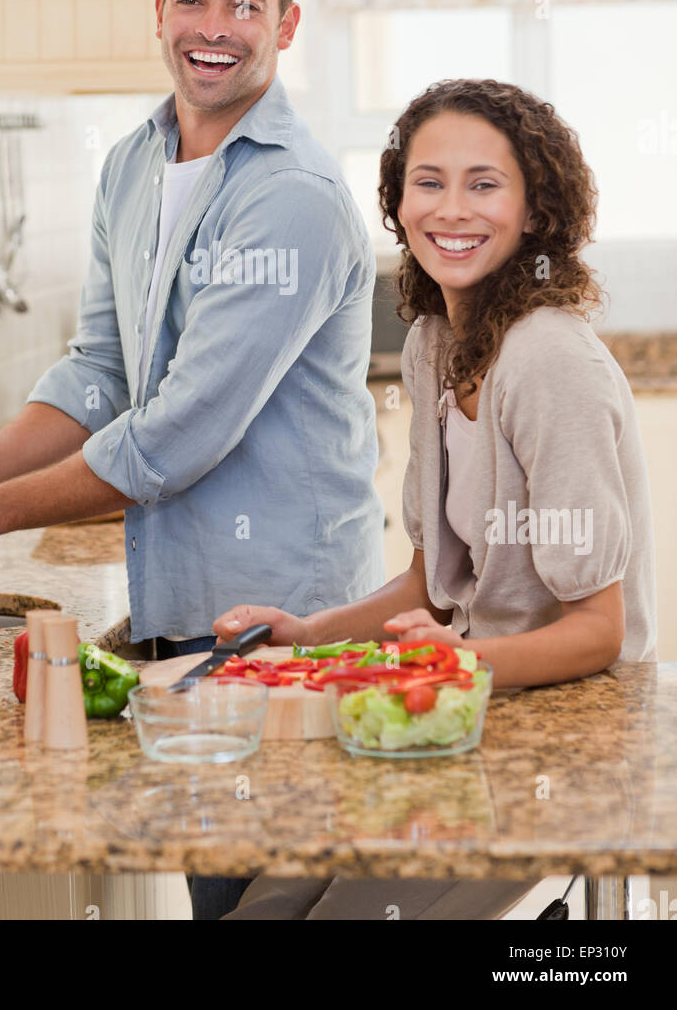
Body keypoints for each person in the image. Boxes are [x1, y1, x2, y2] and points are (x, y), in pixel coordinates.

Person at [0, 0, 385, 919]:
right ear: (159, 12)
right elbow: (100, 372)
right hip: (180, 612)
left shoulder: (293, 197)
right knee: (216, 884)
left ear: (289, 22)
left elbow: (177, 431)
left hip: (283, 623)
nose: (213, 24)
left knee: (262, 899)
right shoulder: (134, 163)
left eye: (244, 3)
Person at [213, 77, 657, 921]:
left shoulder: (548, 360)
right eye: (429, 182)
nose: (452, 209)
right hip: (463, 717)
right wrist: (310, 634)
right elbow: (432, 582)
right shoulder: (434, 345)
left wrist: (457, 662)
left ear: (534, 211)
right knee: (263, 913)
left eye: (484, 184)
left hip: (566, 746)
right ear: (397, 201)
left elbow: (600, 631)